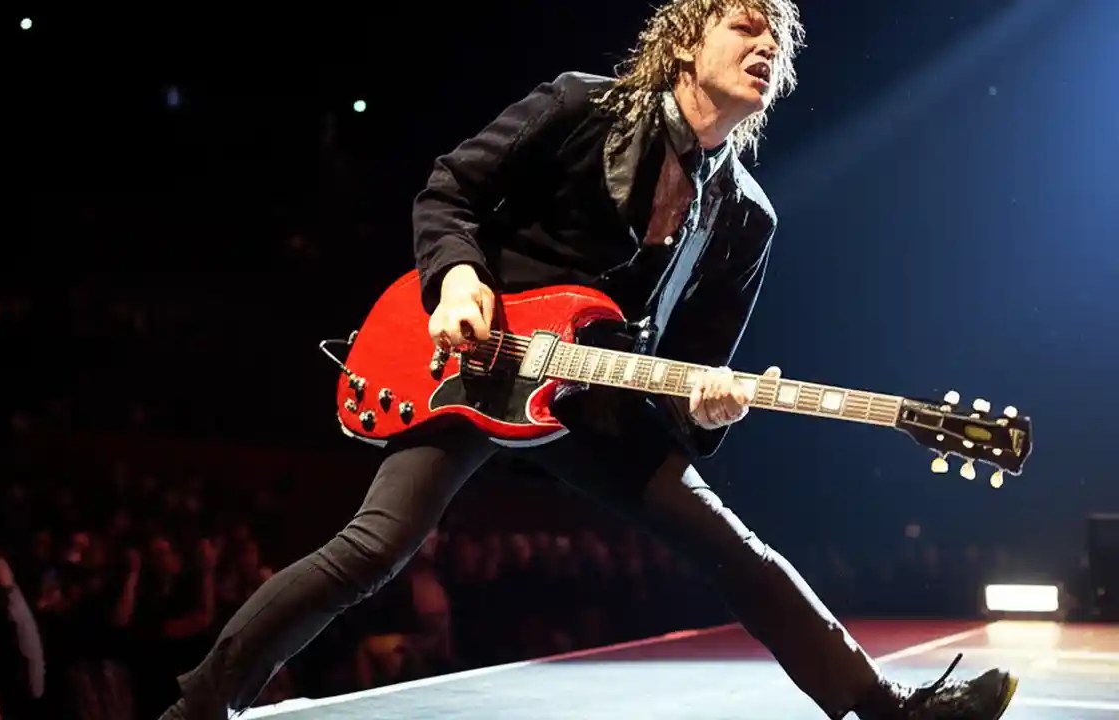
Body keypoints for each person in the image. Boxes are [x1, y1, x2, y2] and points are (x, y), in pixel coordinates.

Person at [162, 2, 1019, 719]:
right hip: (475, 359)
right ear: (686, 38)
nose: (767, 48)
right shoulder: (582, 106)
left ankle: (888, 711)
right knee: (372, 550)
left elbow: (693, 366)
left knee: (737, 552)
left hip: (596, 395)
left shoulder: (746, 218)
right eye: (747, 27)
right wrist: (458, 280)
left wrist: (705, 405)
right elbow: (450, 188)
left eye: (779, 44)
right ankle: (197, 706)